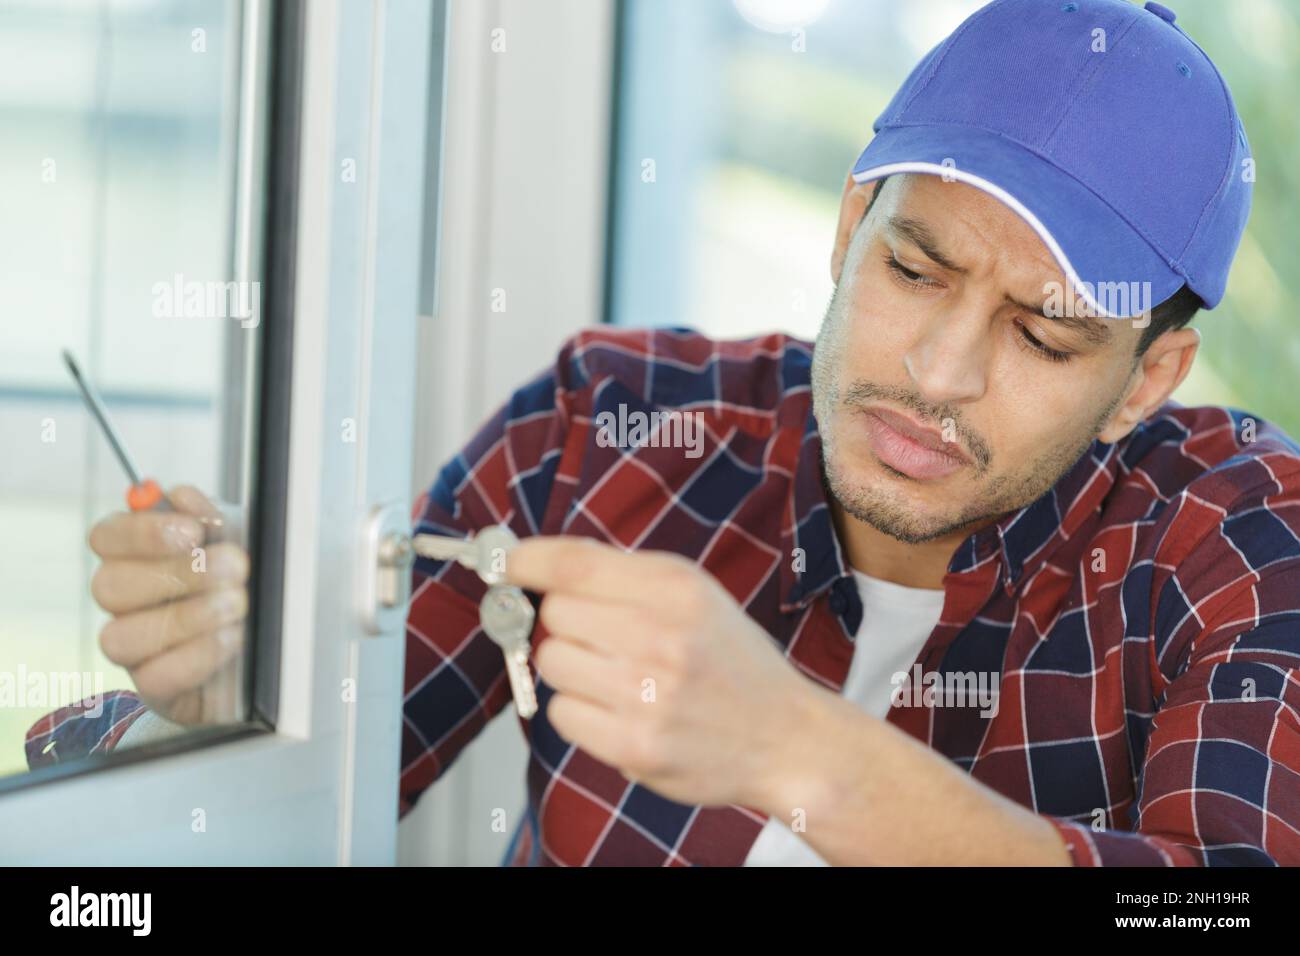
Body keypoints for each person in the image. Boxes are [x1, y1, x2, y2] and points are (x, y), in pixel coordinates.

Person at [29, 0, 1300, 865]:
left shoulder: (1234, 544)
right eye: (913, 267)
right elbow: (267, 805)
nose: (937, 371)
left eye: (1042, 336)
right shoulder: (615, 429)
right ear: (851, 218)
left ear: (1148, 377)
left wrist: (802, 753)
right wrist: (220, 700)